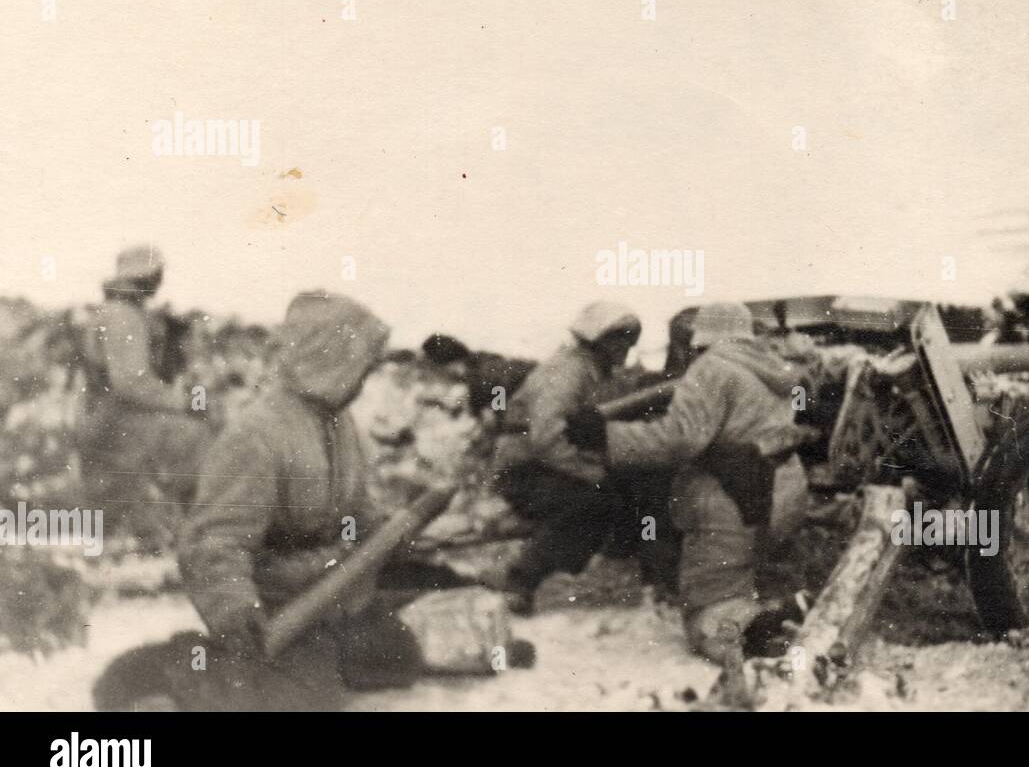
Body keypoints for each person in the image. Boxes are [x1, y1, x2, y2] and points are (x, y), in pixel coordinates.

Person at [177, 291, 429, 707]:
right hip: (276, 603)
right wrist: (236, 615)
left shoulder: (337, 422)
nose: (364, 380)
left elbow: (355, 505)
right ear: (332, 360)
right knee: (303, 696)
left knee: (399, 658)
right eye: (360, 367)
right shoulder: (256, 433)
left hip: (330, 591)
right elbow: (214, 540)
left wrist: (387, 532)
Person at [565, 301, 811, 664]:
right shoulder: (774, 366)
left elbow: (680, 439)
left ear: (702, 336)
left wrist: (606, 437)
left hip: (732, 498)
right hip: (783, 491)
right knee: (735, 583)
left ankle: (767, 630)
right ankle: (779, 616)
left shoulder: (711, 368)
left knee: (706, 615)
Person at [488, 301, 642, 612]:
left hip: (542, 462)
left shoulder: (589, 372)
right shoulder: (568, 373)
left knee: (615, 492)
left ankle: (581, 576)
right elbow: (546, 439)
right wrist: (590, 471)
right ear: (599, 339)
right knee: (588, 501)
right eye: (620, 337)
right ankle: (522, 582)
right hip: (524, 467)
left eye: (630, 337)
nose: (626, 346)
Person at [78, 245, 214, 510]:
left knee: (200, 414)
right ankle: (195, 509)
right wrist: (184, 402)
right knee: (195, 433)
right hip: (114, 418)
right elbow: (130, 384)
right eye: (157, 273)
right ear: (145, 275)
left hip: (112, 413)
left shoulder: (126, 312)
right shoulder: (122, 316)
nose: (160, 280)